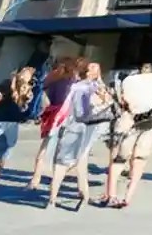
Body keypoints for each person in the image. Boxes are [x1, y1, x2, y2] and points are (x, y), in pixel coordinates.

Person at [103, 62, 152, 209]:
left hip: (128, 120)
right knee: (139, 160)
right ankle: (128, 197)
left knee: (119, 159)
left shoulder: (128, 81)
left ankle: (112, 194)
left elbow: (121, 100)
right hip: (151, 124)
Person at [47, 61, 115, 209]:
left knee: (66, 162)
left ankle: (59, 196)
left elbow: (68, 106)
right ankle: (81, 195)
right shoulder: (93, 88)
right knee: (74, 161)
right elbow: (86, 112)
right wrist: (105, 104)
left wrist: (58, 121)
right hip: (86, 126)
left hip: (76, 126)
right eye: (92, 68)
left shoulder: (78, 86)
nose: (93, 70)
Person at [28, 56, 83, 190]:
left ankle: (35, 179)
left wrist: (44, 112)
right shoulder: (73, 81)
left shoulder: (51, 79)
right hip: (66, 115)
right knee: (62, 149)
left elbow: (44, 98)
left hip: (52, 114)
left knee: (45, 147)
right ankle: (56, 180)